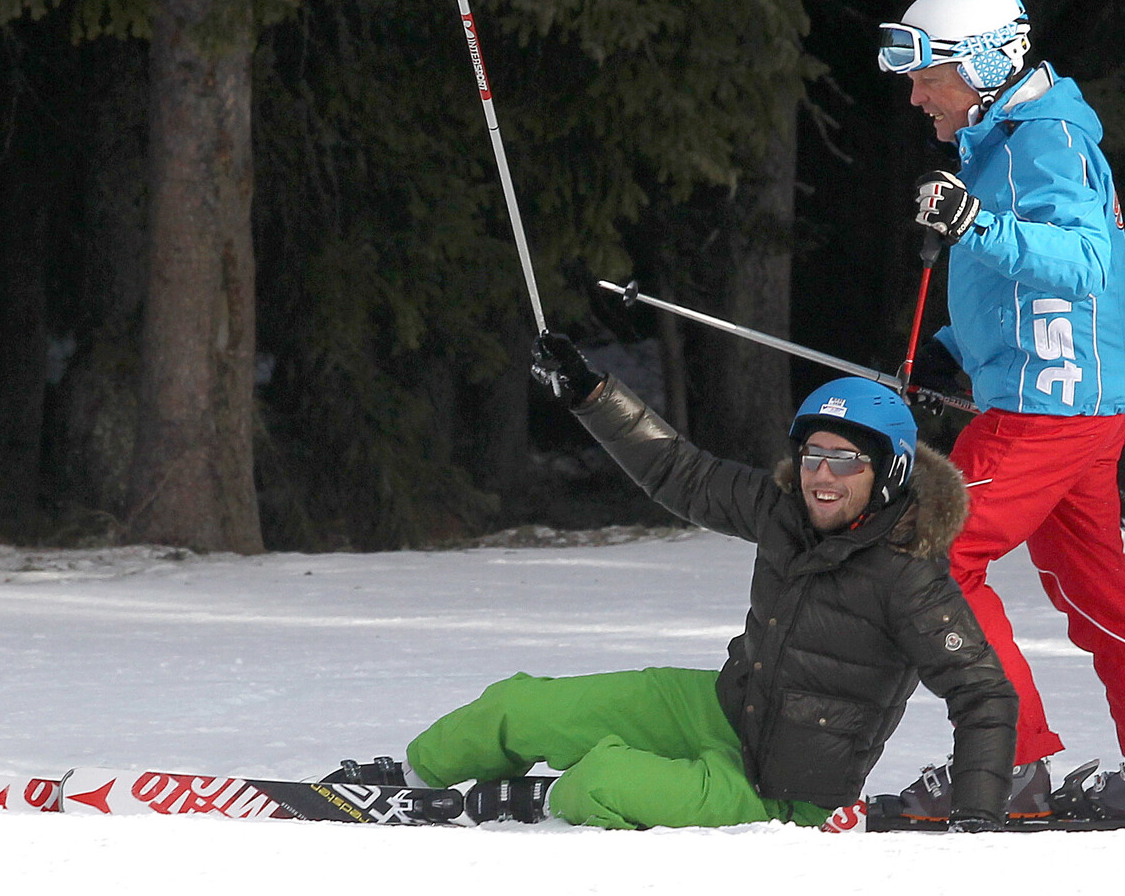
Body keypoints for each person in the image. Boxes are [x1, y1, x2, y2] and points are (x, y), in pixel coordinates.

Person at [339, 339, 1020, 831]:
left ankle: (540, 802)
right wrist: (592, 395)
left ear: (890, 473)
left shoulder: (908, 576)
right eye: (814, 454)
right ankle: (412, 780)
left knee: (601, 783)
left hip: (781, 789)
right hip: (722, 708)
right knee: (521, 706)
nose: (823, 475)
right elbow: (680, 473)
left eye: (846, 461)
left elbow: (983, 691)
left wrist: (976, 819)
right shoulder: (784, 509)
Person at [875, 0, 1125, 824]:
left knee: (921, 550)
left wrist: (974, 225)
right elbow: (1028, 295)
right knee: (1094, 584)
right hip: (1064, 400)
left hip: (1051, 409)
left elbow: (1082, 264)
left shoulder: (1046, 140)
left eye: (931, 76)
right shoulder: (1004, 138)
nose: (917, 96)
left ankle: (1008, 765)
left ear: (990, 63)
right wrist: (953, 352)